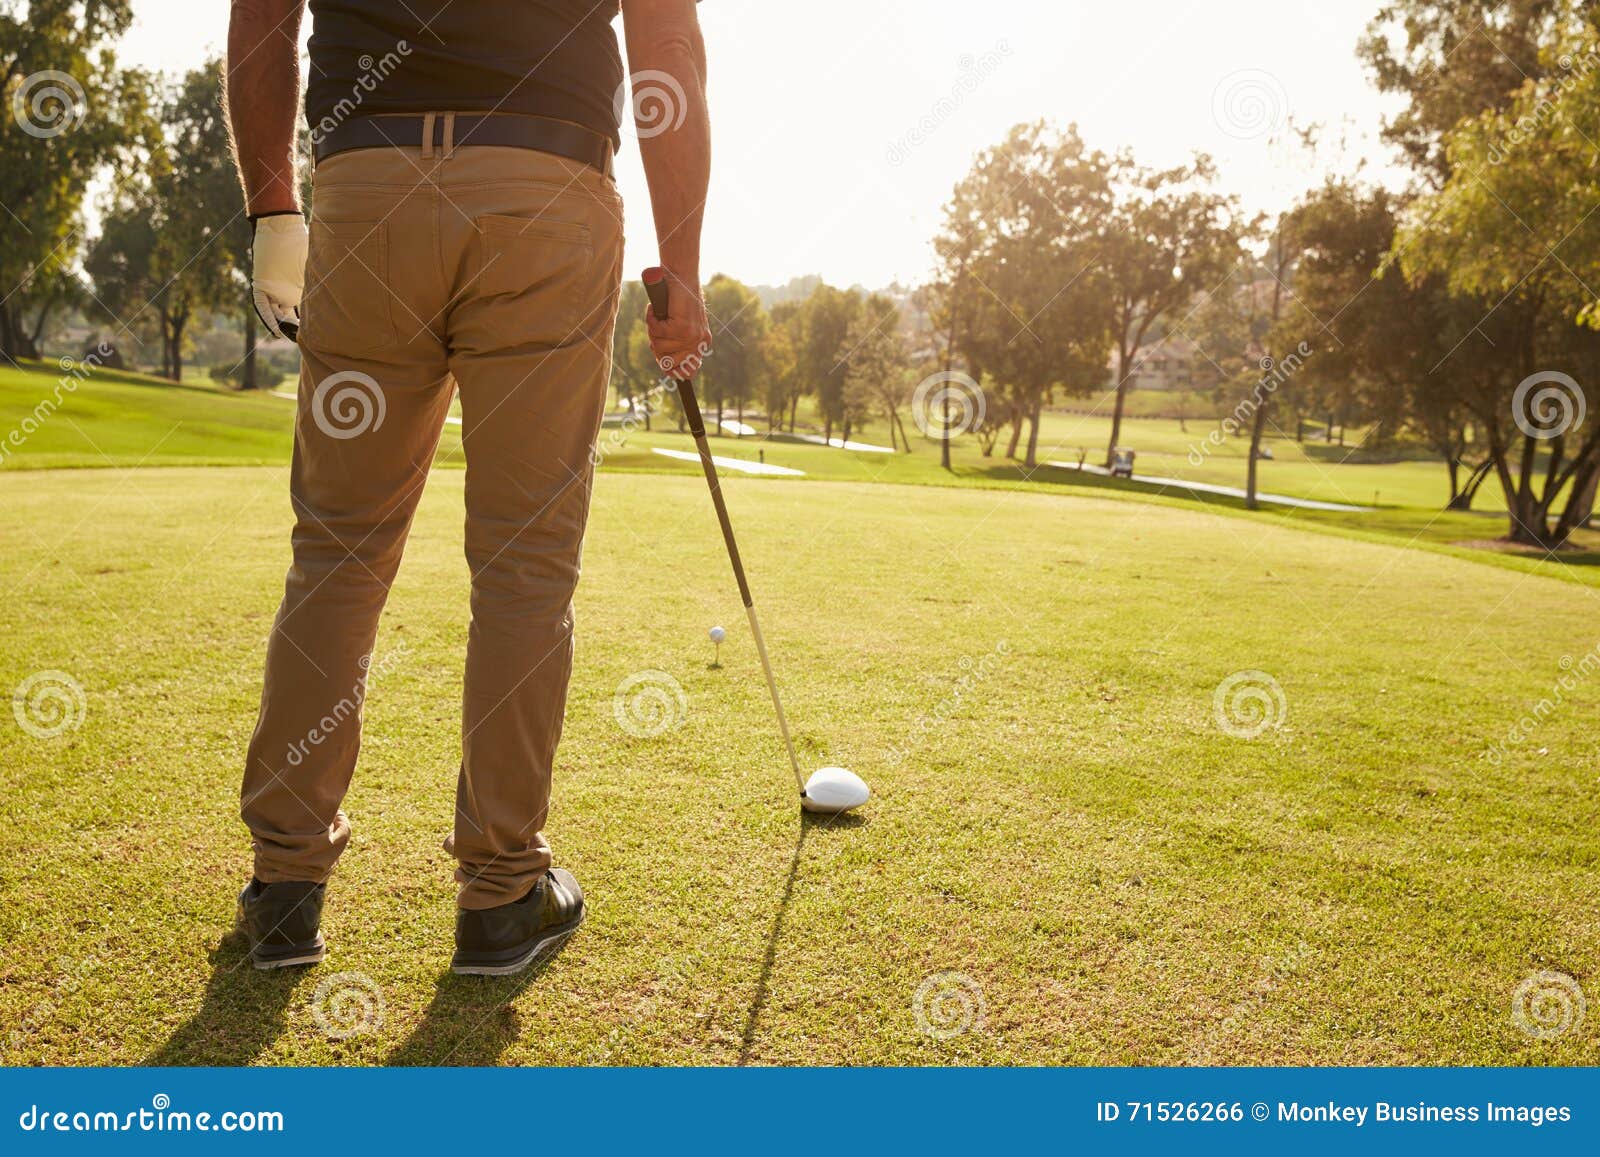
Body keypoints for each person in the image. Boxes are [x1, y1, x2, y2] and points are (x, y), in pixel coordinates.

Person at [225, 0, 712, 975]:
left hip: (369, 190)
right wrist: (682, 268)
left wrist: (276, 207)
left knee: (338, 550)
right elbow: (663, 50)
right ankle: (500, 894)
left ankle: (285, 891)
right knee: (524, 561)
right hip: (548, 191)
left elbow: (262, 17)